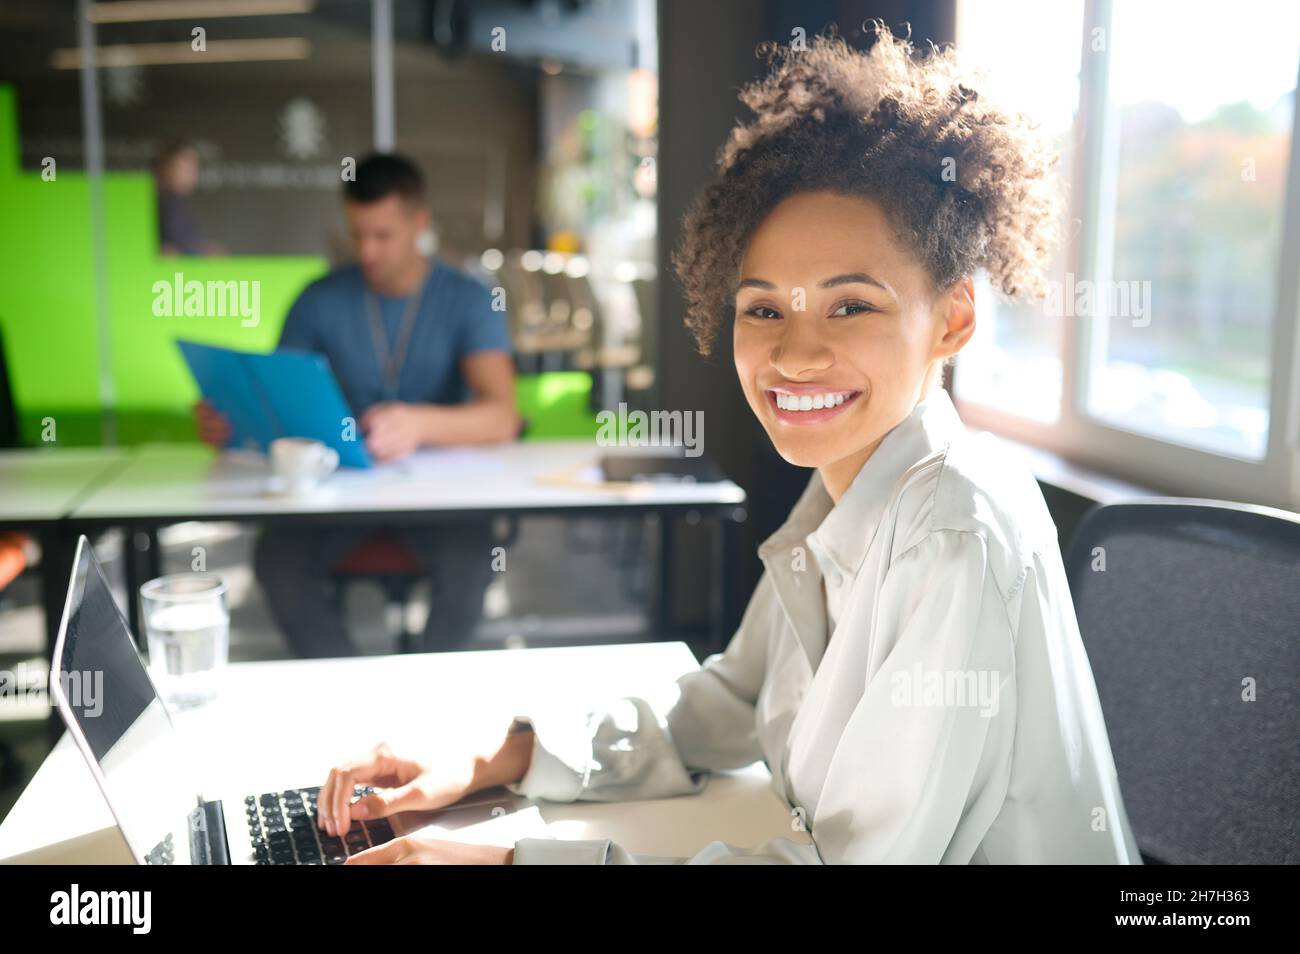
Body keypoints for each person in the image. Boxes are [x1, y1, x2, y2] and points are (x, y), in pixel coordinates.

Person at [318, 28, 1140, 864]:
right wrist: (491, 757)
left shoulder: (952, 535)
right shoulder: (846, 488)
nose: (792, 353)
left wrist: (509, 863)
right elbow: (725, 707)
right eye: (762, 309)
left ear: (953, 319)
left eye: (850, 305)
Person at [195, 153, 519, 657]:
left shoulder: (470, 298)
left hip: (440, 493)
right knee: (278, 563)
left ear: (420, 224)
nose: (367, 250)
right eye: (357, 234)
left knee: (473, 563)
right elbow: (277, 403)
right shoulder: (318, 299)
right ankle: (352, 700)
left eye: (382, 235)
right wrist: (229, 420)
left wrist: (420, 424)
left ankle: (427, 703)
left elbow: (503, 415)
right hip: (340, 487)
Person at [153, 140, 223, 256]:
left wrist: (203, 248)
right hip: (169, 273)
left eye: (195, 166)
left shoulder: (176, 201)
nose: (193, 173)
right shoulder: (163, 202)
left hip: (183, 271)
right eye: (186, 167)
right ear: (164, 166)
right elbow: (174, 249)